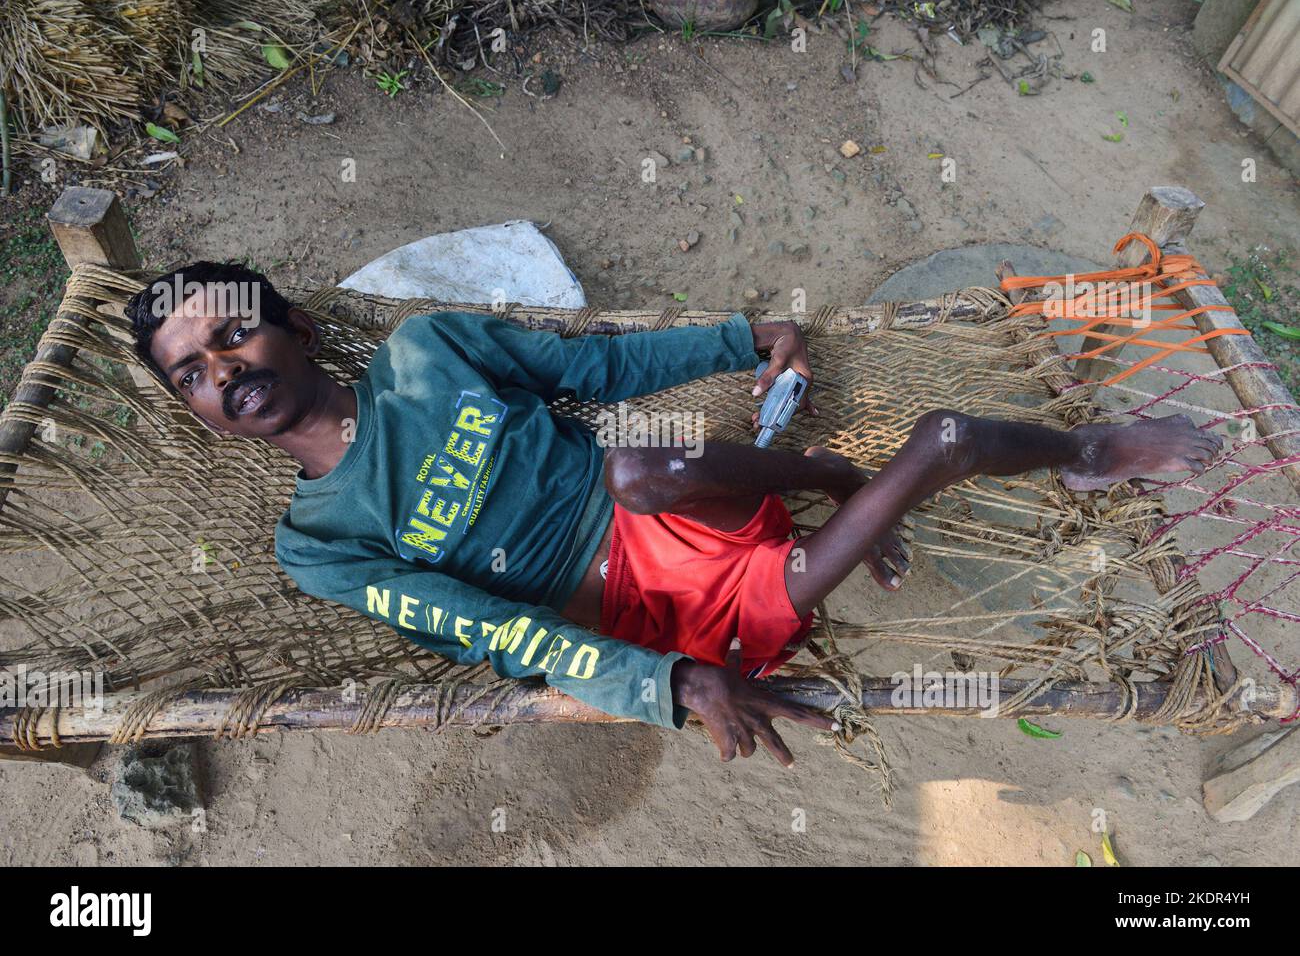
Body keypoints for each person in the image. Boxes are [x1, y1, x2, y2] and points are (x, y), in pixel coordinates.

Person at [127, 261, 1220, 767]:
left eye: (232, 336)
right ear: (202, 415)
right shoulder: (320, 544)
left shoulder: (427, 353)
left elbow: (593, 369)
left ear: (299, 331)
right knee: (944, 440)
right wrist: (669, 682)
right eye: (193, 375)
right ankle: (896, 470)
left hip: (683, 491)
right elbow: (494, 633)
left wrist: (743, 341)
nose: (223, 370)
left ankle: (1056, 454)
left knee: (632, 471)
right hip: (648, 621)